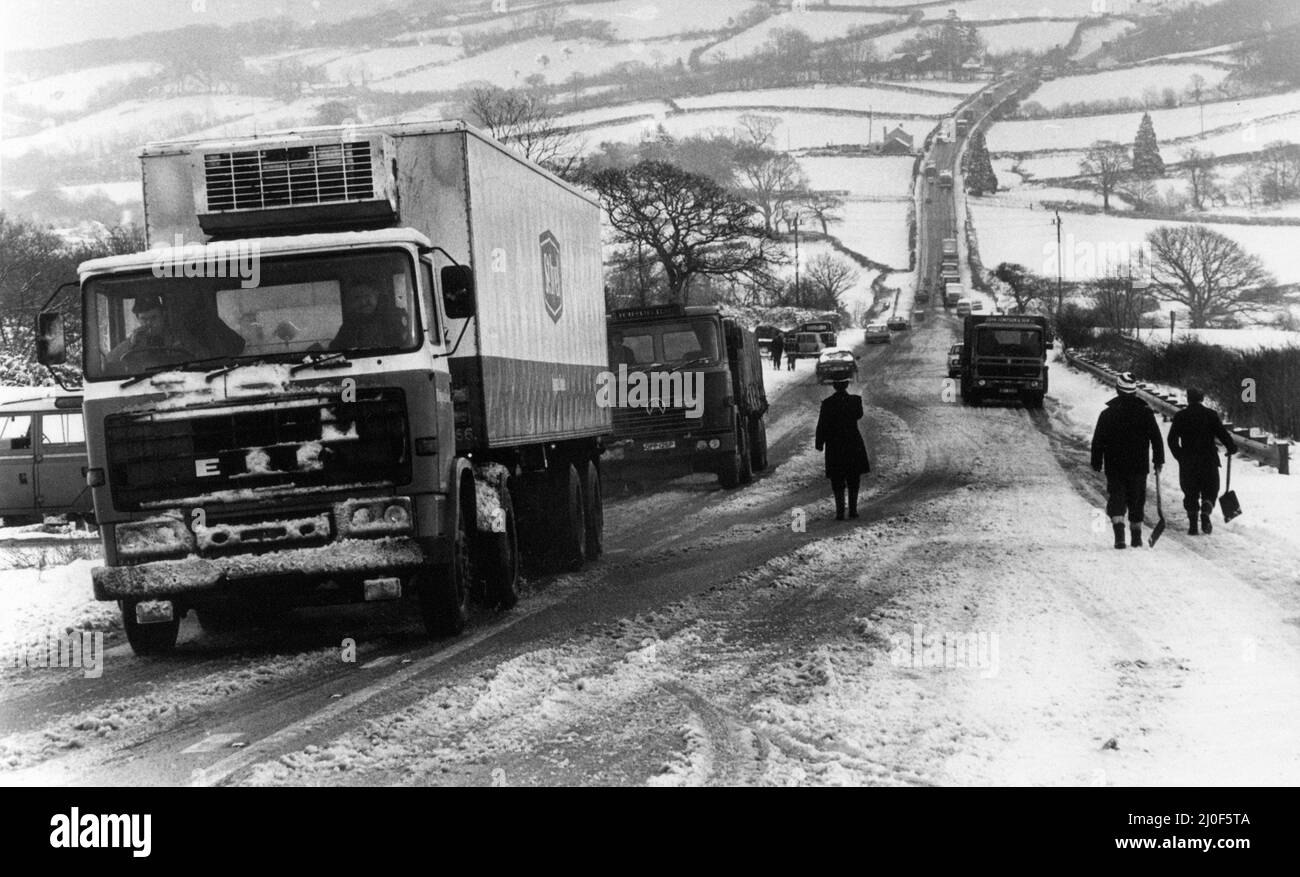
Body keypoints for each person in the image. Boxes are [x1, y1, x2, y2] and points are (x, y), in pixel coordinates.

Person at [1090, 371, 1165, 549]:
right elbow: (1156, 438)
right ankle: (1137, 538)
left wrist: (1096, 460)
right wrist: (1158, 460)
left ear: (1117, 390)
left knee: (1117, 498)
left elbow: (1098, 440)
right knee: (1136, 499)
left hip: (1115, 465)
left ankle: (1119, 537)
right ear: (1135, 392)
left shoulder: (1107, 414)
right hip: (1138, 466)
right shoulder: (1146, 413)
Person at [1167, 387, 1237, 535]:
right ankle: (1206, 511)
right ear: (1202, 398)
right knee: (1211, 491)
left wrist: (1180, 456)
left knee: (1190, 493)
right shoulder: (1210, 415)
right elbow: (1222, 434)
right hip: (1209, 461)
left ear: (1188, 399)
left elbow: (1171, 439)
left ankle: (1193, 524)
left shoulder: (1181, 416)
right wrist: (1231, 447)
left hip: (1188, 462)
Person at [815, 379, 871, 520]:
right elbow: (859, 414)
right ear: (846, 385)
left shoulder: (827, 404)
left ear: (834, 386)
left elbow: (822, 425)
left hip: (835, 445)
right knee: (853, 478)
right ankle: (853, 510)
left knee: (837, 479)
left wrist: (819, 443)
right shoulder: (855, 401)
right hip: (853, 443)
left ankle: (840, 512)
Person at [106, 294, 205, 368]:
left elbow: (202, 357)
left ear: (163, 315)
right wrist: (130, 344)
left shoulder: (179, 336)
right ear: (137, 319)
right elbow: (108, 362)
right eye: (144, 319)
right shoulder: (133, 341)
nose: (149, 323)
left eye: (154, 318)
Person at [331, 282, 405, 351]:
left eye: (367, 296)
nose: (363, 302)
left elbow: (402, 346)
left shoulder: (393, 316)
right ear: (352, 302)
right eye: (357, 298)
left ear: (376, 295)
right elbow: (336, 349)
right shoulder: (349, 325)